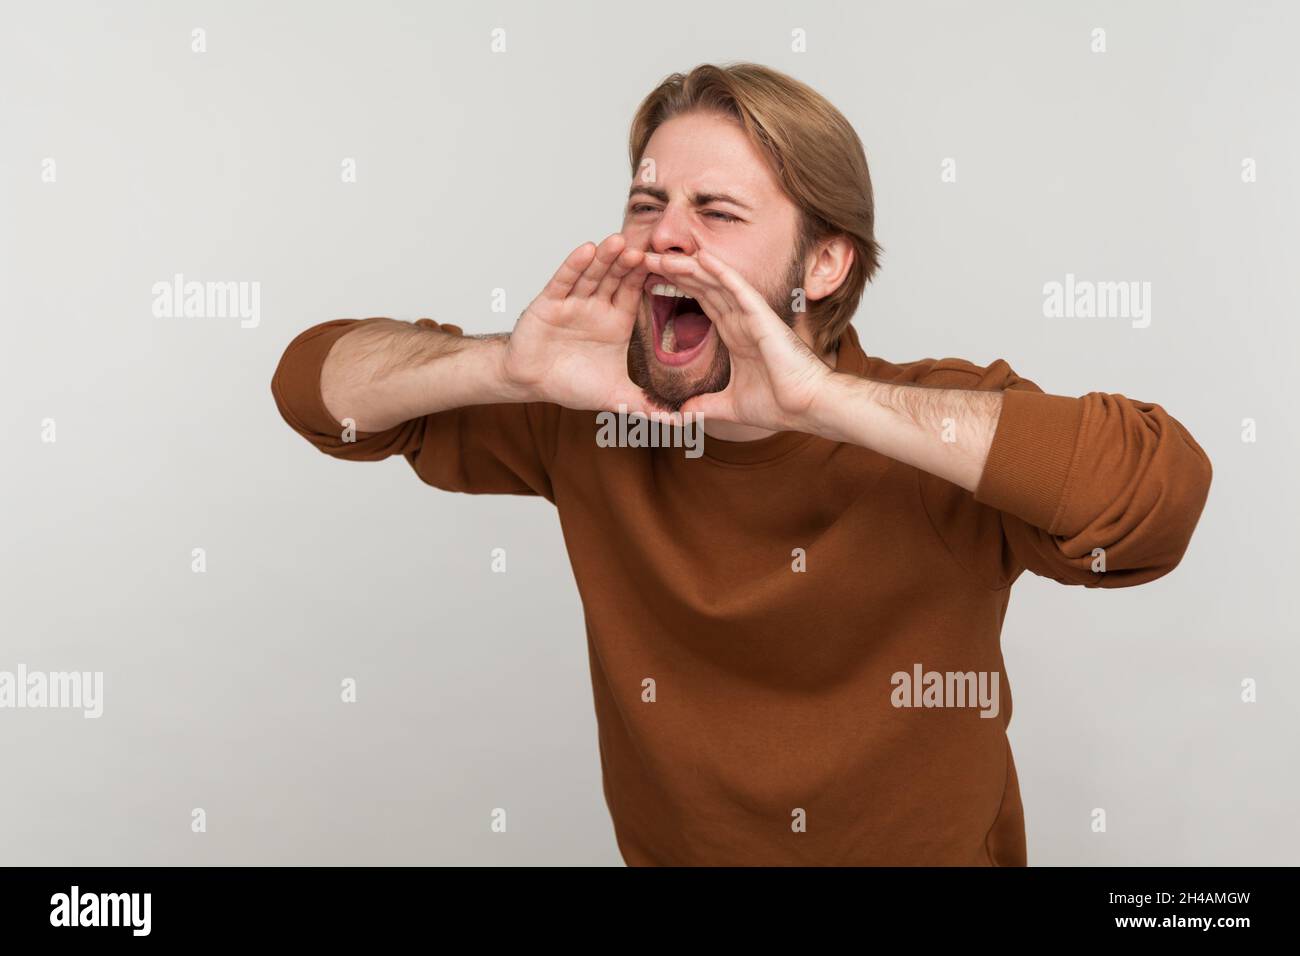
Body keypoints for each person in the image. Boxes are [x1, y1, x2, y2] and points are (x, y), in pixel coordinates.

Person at [271, 62, 1213, 865]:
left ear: (826, 265)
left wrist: (824, 404)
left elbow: (1154, 500)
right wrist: (503, 367)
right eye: (648, 203)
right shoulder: (592, 409)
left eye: (716, 211)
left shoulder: (924, 423)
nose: (664, 236)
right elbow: (316, 389)